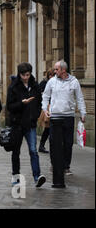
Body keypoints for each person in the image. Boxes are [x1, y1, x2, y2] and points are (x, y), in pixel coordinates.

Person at [42, 60, 86, 188]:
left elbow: (79, 98)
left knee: (68, 143)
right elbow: (45, 96)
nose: (54, 72)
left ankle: (66, 166)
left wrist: (83, 113)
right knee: (54, 142)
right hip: (55, 116)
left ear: (63, 70)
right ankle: (55, 164)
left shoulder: (74, 82)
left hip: (68, 116)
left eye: (56, 69)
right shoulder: (52, 82)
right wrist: (45, 110)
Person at [6, 62, 46, 188]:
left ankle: (37, 177)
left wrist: (36, 114)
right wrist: (21, 104)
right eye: (23, 75)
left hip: (30, 124)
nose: (25, 77)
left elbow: (39, 101)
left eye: (27, 75)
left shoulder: (35, 86)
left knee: (33, 150)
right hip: (17, 124)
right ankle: (16, 177)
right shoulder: (13, 87)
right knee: (16, 151)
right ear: (19, 74)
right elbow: (9, 106)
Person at [38, 68, 54, 153]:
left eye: (53, 75)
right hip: (47, 108)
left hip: (55, 108)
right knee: (48, 128)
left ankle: (44, 145)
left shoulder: (57, 83)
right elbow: (40, 95)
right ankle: (41, 145)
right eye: (50, 75)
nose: (51, 77)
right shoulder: (44, 83)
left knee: (51, 129)